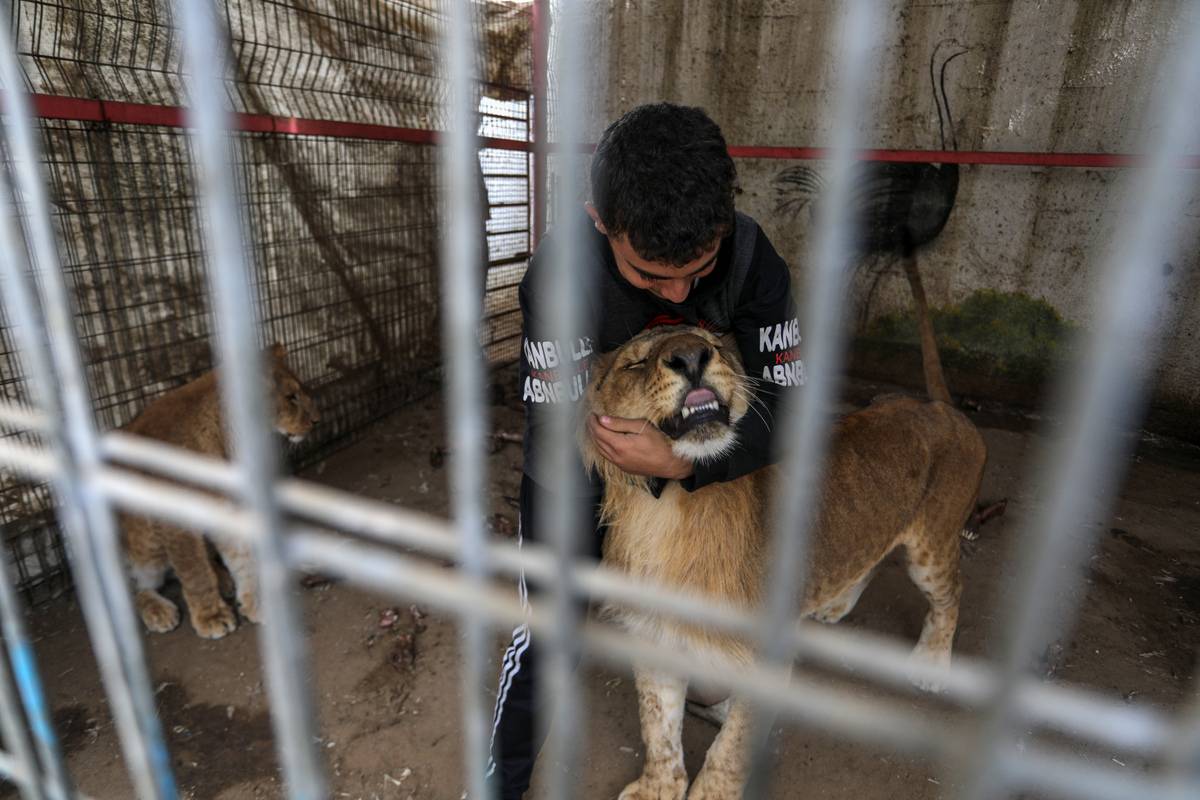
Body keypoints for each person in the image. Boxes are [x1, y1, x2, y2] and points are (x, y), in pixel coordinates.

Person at [486, 102, 803, 798]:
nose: (681, 293)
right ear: (599, 219)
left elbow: (792, 405)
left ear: (726, 220)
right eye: (649, 276)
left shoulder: (753, 260)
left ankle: (703, 687)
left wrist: (683, 461)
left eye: (699, 268)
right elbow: (550, 422)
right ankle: (499, 782)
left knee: (723, 612)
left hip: (704, 457)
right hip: (587, 462)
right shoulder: (560, 272)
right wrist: (630, 467)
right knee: (551, 632)